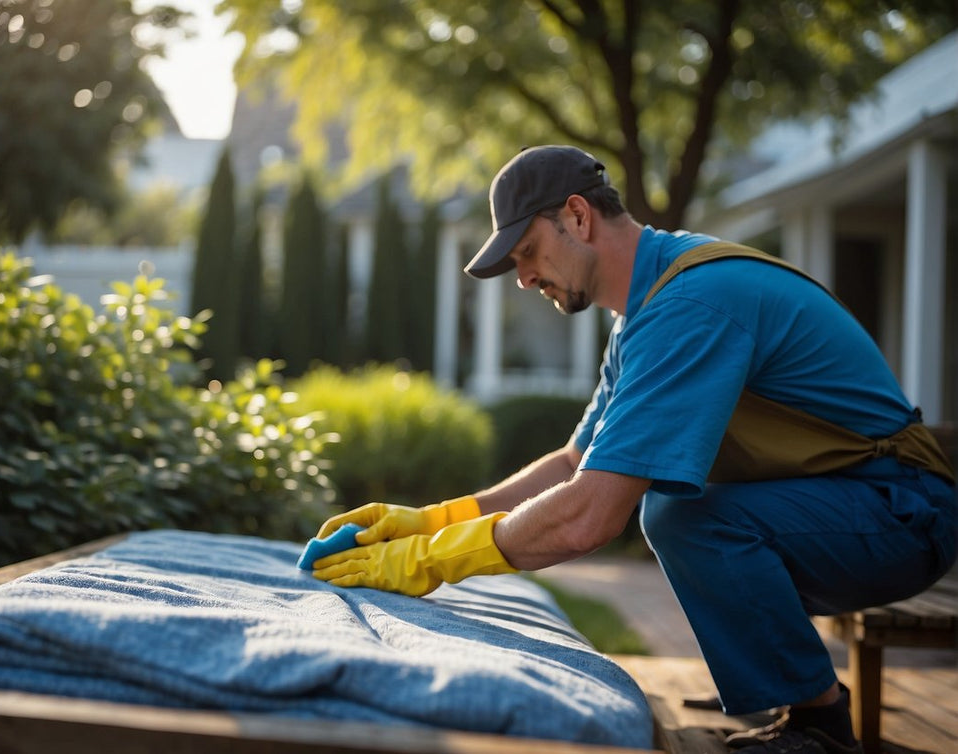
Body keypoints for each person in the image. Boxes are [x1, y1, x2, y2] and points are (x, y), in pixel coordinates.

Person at [310, 145, 956, 754]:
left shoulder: (693, 303)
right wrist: (431, 519)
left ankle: (818, 724)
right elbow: (572, 463)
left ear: (577, 217)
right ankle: (777, 683)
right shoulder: (643, 316)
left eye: (528, 251)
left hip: (902, 512)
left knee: (682, 514)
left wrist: (433, 561)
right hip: (850, 504)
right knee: (687, 509)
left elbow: (590, 515)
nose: (523, 277)